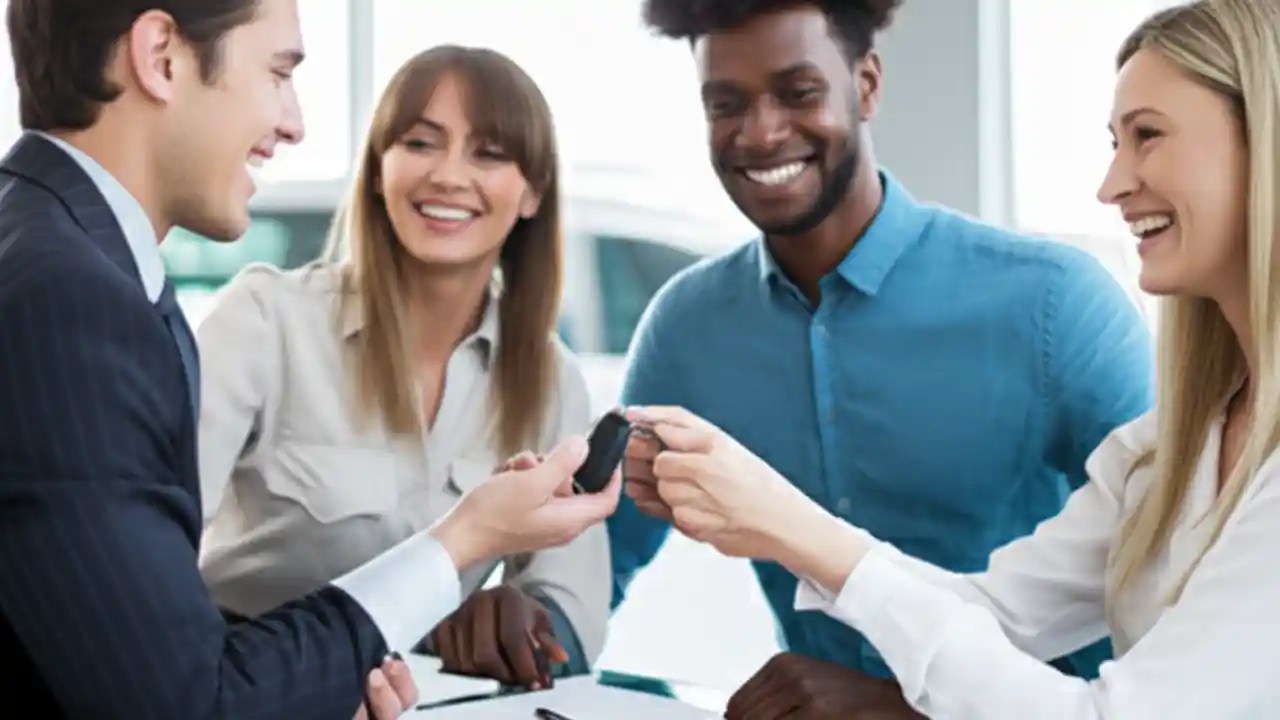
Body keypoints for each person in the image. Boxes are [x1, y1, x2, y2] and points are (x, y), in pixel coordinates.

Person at [629, 0, 1280, 717]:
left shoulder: (1055, 304)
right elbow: (993, 612)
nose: (1111, 185)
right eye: (1115, 142)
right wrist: (786, 526)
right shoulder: (1170, 445)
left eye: (1148, 135)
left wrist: (787, 522)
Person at [0, 1, 619, 717]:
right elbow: (177, 687)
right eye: (278, 72)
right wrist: (462, 543)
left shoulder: (87, 275)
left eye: (489, 153)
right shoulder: (82, 304)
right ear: (161, 56)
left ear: (535, 189)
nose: (294, 123)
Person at [196, 44, 609, 689]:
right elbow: (144, 555)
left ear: (533, 192)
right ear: (378, 169)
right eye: (420, 143)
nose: (448, 175)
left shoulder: (552, 382)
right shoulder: (266, 323)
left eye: (488, 154)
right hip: (248, 691)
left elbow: (574, 617)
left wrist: (525, 621)